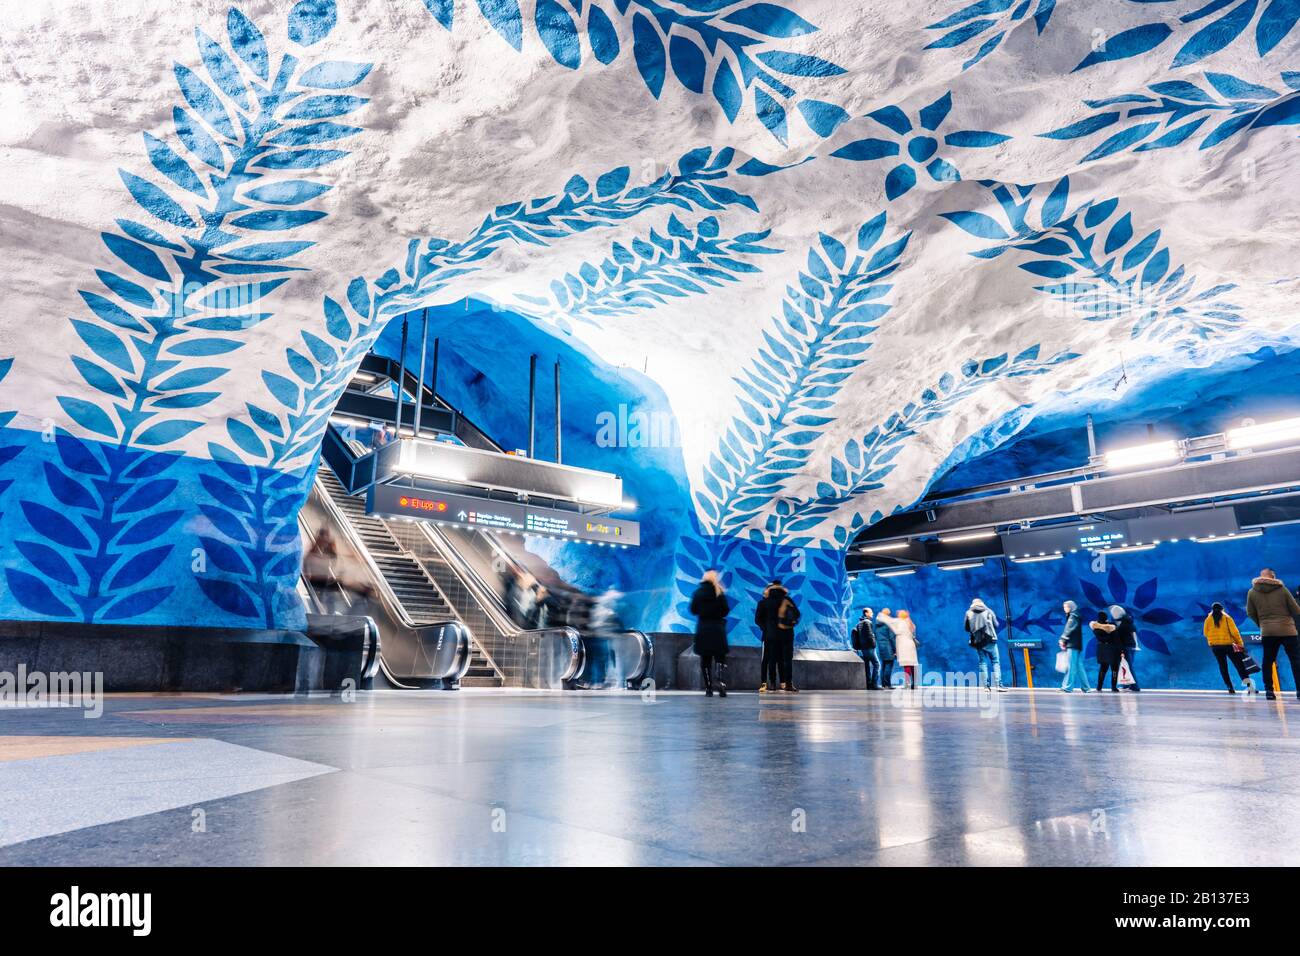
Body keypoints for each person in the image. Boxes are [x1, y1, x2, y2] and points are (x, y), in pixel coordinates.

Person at [1246, 568, 1300, 701]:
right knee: (1295, 660)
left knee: (1268, 661)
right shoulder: (1282, 590)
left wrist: (1262, 623)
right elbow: (1296, 610)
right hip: (1288, 630)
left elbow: (1250, 612)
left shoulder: (1252, 592)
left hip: (1268, 631)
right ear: (1273, 577)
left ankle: (1269, 691)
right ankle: (1299, 690)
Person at [689, 570, 731, 698]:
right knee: (720, 657)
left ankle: (708, 688)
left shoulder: (698, 593)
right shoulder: (720, 593)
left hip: (704, 629)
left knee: (705, 659)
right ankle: (721, 682)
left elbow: (693, 610)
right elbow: (725, 611)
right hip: (718, 629)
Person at [755, 579, 799, 692]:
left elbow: (758, 619)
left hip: (772, 635)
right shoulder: (787, 599)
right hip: (787, 634)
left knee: (771, 659)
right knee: (787, 659)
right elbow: (797, 614)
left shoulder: (766, 602)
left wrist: (766, 628)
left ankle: (772, 683)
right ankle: (788, 683)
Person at [1203, 602, 1252, 695]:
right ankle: (1249, 687)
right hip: (1229, 646)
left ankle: (1230, 688)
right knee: (1239, 666)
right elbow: (1235, 632)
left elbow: (1205, 633)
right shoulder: (1227, 618)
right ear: (1222, 609)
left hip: (1216, 647)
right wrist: (1240, 644)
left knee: (1223, 667)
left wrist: (1212, 641)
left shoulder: (1208, 620)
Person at [964, 597, 1006, 692]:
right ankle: (999, 685)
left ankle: (986, 687)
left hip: (978, 642)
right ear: (982, 603)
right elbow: (996, 625)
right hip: (991, 640)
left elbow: (966, 628)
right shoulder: (988, 612)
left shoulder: (968, 613)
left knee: (982, 663)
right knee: (995, 662)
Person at [304, 528, 343, 613]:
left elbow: (333, 561)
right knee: (318, 601)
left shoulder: (329, 550)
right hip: (314, 582)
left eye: (327, 536)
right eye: (323, 536)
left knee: (329, 599)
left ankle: (330, 615)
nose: (325, 538)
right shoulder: (313, 551)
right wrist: (308, 573)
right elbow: (307, 562)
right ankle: (322, 614)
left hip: (324, 581)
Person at [1058, 600, 1090, 693]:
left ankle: (1067, 687)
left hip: (1072, 645)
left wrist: (1063, 639)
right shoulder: (1075, 616)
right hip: (1076, 645)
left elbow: (1069, 629)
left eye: (1066, 607)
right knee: (1079, 667)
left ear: (1071, 607)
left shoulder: (1073, 616)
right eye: (1064, 607)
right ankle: (1086, 687)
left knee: (1071, 666)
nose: (1064, 609)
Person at [1109, 605, 1142, 692]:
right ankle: (1127, 684)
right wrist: (1136, 645)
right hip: (1128, 646)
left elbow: (1132, 634)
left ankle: (1135, 686)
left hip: (1127, 646)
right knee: (1125, 666)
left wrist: (1135, 645)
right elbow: (1133, 633)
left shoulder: (1125, 623)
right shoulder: (1125, 621)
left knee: (1129, 666)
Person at [1091, 610, 1121, 691]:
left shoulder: (1095, 628)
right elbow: (1117, 639)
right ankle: (1114, 687)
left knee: (1103, 668)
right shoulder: (1112, 626)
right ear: (1106, 617)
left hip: (1101, 649)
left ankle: (1099, 686)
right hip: (1112, 649)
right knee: (1114, 668)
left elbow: (1100, 638)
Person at [851, 608, 880, 690]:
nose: (872, 614)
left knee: (867, 666)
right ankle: (874, 684)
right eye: (871, 612)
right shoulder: (867, 622)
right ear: (866, 613)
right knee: (877, 664)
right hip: (869, 647)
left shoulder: (859, 623)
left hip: (863, 648)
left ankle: (868, 684)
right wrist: (874, 645)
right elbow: (869, 636)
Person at [892, 609, 920, 689]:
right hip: (911, 647)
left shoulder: (902, 624)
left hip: (905, 646)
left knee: (906, 665)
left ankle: (907, 684)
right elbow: (913, 634)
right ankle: (914, 684)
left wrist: (897, 650)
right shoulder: (911, 623)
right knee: (912, 666)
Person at [875, 609, 898, 689]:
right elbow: (891, 638)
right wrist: (895, 650)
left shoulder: (876, 625)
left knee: (883, 666)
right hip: (888, 648)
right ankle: (888, 684)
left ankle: (884, 684)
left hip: (880, 648)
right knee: (889, 665)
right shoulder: (888, 624)